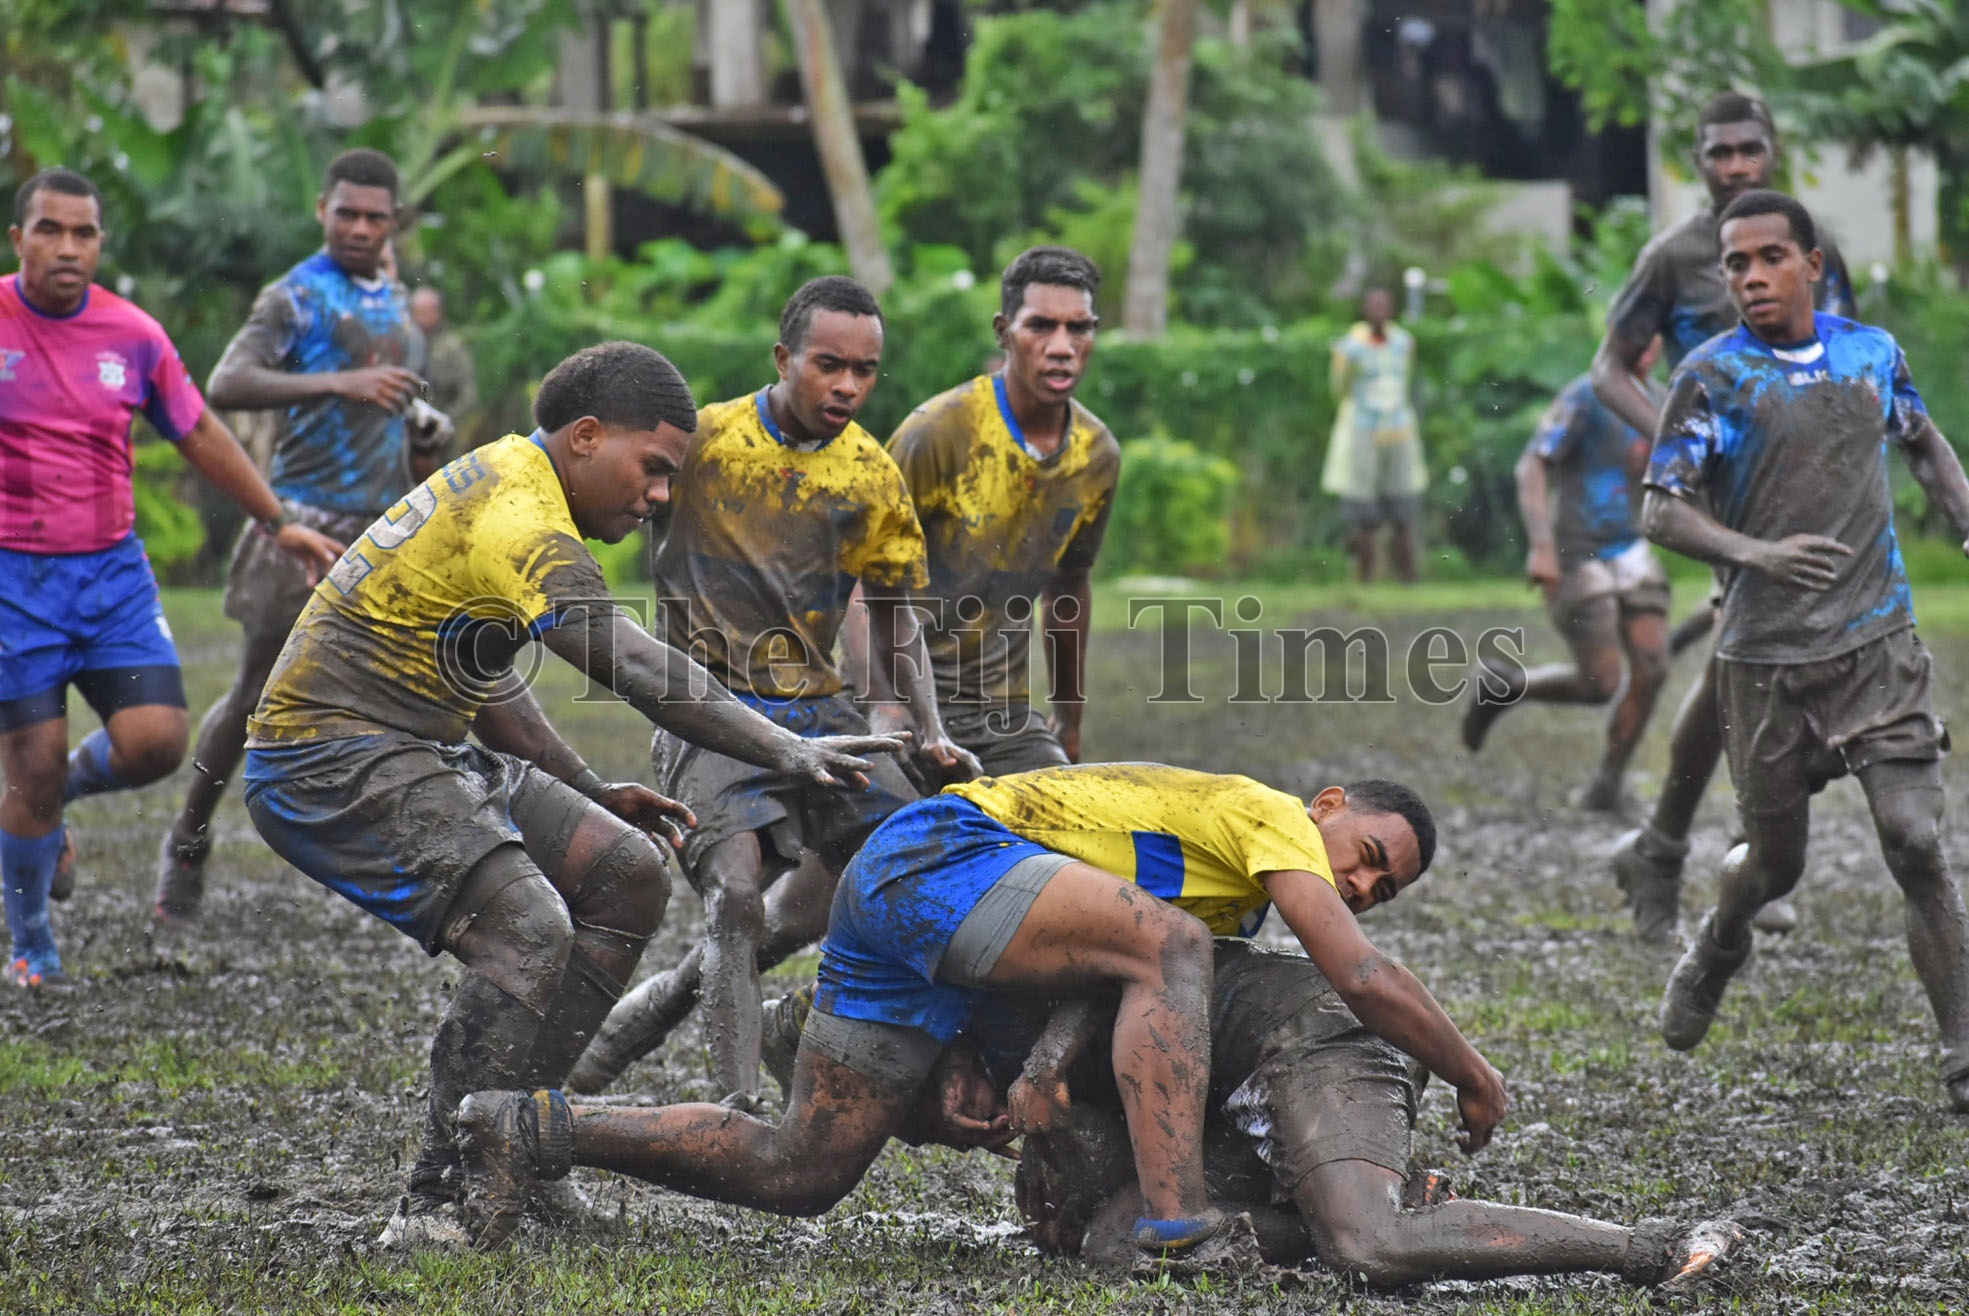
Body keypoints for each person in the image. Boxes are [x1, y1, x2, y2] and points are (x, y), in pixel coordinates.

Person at [238, 340, 908, 1245]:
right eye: (654, 469)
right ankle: (436, 1199)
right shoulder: (524, 514)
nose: (661, 496)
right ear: (587, 436)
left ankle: (529, 1159)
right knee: (528, 929)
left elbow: (480, 673)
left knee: (629, 875)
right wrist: (787, 746)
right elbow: (626, 658)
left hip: (412, 745)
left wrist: (587, 784)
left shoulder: (512, 484)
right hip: (325, 758)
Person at [456, 764, 1508, 1264]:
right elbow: (1362, 977)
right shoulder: (1263, 813)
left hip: (912, 896)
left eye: (1383, 887)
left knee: (801, 1169)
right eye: (1368, 856)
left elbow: (1087, 966)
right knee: (1178, 946)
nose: (1362, 886)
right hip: (942, 852)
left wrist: (1011, 1058)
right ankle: (1177, 1224)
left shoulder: (1217, 885)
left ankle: (524, 1124)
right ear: (1327, 803)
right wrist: (1472, 1071)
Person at [564, 277, 970, 1106]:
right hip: (704, 706)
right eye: (829, 366)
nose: (848, 387)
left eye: (865, 371)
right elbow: (597, 493)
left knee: (916, 861)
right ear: (784, 358)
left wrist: (928, 729)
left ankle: (688, 999)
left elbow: (893, 616)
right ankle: (736, 1107)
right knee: (736, 898)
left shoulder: (871, 472)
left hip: (818, 708)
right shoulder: (703, 440)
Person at [1641, 190, 1969, 1114]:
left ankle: (1961, 1055)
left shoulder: (1872, 355)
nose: (1749, 276)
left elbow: (1925, 443)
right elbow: (1659, 507)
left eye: (1768, 258)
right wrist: (1753, 553)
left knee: (1914, 842)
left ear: (1812, 263)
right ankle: (1718, 938)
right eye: (1734, 263)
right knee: (1774, 867)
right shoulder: (1711, 376)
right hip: (1764, 661)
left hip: (1877, 645)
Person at [0, 167, 342, 989]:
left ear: (100, 244)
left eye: (84, 233)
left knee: (157, 743)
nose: (68, 247)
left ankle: (51, 810)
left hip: (112, 577)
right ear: (20, 239)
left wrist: (275, 517)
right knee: (31, 766)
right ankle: (33, 939)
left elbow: (199, 432)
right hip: (15, 582)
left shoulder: (134, 336)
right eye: (51, 230)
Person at [943, 939, 1740, 1291]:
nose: (968, 1123)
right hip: (1232, 1104)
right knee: (1118, 1243)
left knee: (1370, 1247)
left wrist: (1044, 1069)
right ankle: (1374, 1202)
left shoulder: (1011, 996)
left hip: (1308, 1035)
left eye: (953, 1103)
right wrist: (1056, 1189)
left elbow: (1119, 971)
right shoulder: (1010, 1078)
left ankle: (1658, 1245)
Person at [154, 148, 453, 926]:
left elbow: (399, 428)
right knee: (258, 691)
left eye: (373, 216)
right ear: (321, 209)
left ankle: (390, 872)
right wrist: (337, 381)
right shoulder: (293, 297)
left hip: (383, 532)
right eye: (345, 212)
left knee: (403, 705)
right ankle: (187, 840)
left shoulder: (395, 306)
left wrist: (425, 439)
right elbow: (223, 382)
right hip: (301, 523)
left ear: (395, 222)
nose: (358, 227)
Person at [1595, 92, 1857, 940]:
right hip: (1726, 497)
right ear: (1697, 159)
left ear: (1772, 151)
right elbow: (1610, 370)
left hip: (1809, 482)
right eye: (1718, 152)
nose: (1735, 165)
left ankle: (1678, 848)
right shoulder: (1673, 257)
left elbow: (1846, 357)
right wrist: (1678, 441)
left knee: (1735, 670)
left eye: (1748, 149)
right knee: (1757, 659)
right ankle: (1738, 851)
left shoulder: (1812, 247)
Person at [851, 245, 1120, 777]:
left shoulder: (1096, 455)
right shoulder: (939, 432)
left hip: (1002, 714)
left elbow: (1068, 588)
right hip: (901, 701)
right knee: (884, 838)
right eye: (1041, 326)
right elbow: (859, 581)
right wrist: (884, 705)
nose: (1062, 347)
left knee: (1072, 821)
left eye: (1079, 329)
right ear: (1004, 331)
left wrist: (1068, 719)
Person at [1462, 345, 1671, 816]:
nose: (1647, 343)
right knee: (1600, 684)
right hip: (1576, 550)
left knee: (1654, 666)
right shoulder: (1586, 396)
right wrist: (1540, 546)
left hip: (1631, 548)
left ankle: (1608, 783)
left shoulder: (1659, 401)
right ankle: (1507, 687)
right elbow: (1532, 464)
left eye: (1656, 333)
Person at [1323, 287, 1425, 584]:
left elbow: (1403, 380)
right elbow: (1339, 388)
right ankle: (1364, 578)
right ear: (1365, 310)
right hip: (1363, 428)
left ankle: (1408, 578)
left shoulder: (1404, 343)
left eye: (1384, 305)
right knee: (1363, 510)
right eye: (1374, 306)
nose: (1379, 311)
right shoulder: (1349, 348)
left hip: (1398, 428)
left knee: (1403, 507)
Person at [409, 284, 478, 448]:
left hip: (443, 437)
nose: (420, 318)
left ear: (438, 312)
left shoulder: (452, 348)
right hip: (408, 434)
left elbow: (468, 395)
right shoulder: (405, 345)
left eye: (426, 312)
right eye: (417, 312)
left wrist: (442, 420)